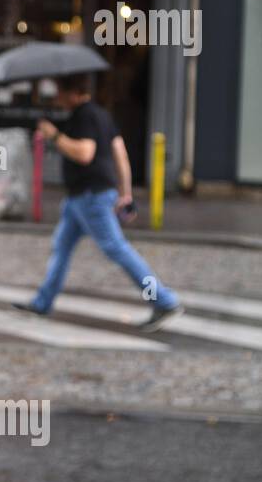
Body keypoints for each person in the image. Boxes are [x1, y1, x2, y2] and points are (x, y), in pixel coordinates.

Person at [13, 73, 184, 332]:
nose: (56, 97)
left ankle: (164, 300)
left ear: (72, 92)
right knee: (61, 247)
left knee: (117, 249)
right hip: (82, 199)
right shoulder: (102, 115)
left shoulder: (84, 116)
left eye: (59, 91)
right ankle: (42, 302)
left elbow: (84, 153)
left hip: (90, 197)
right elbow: (120, 154)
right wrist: (125, 192)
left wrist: (54, 135)